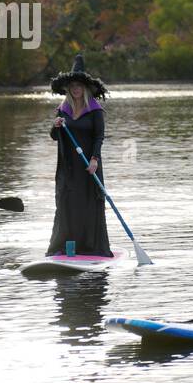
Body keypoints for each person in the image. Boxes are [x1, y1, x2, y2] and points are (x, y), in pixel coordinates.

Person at [46, 53, 113, 257]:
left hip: (88, 166)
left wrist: (94, 160)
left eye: (79, 86)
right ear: (68, 89)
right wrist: (55, 126)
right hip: (68, 168)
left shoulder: (95, 110)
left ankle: (92, 248)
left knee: (88, 206)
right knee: (68, 207)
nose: (75, 89)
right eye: (72, 86)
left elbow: (99, 137)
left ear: (84, 88)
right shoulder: (63, 109)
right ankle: (66, 249)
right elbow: (54, 136)